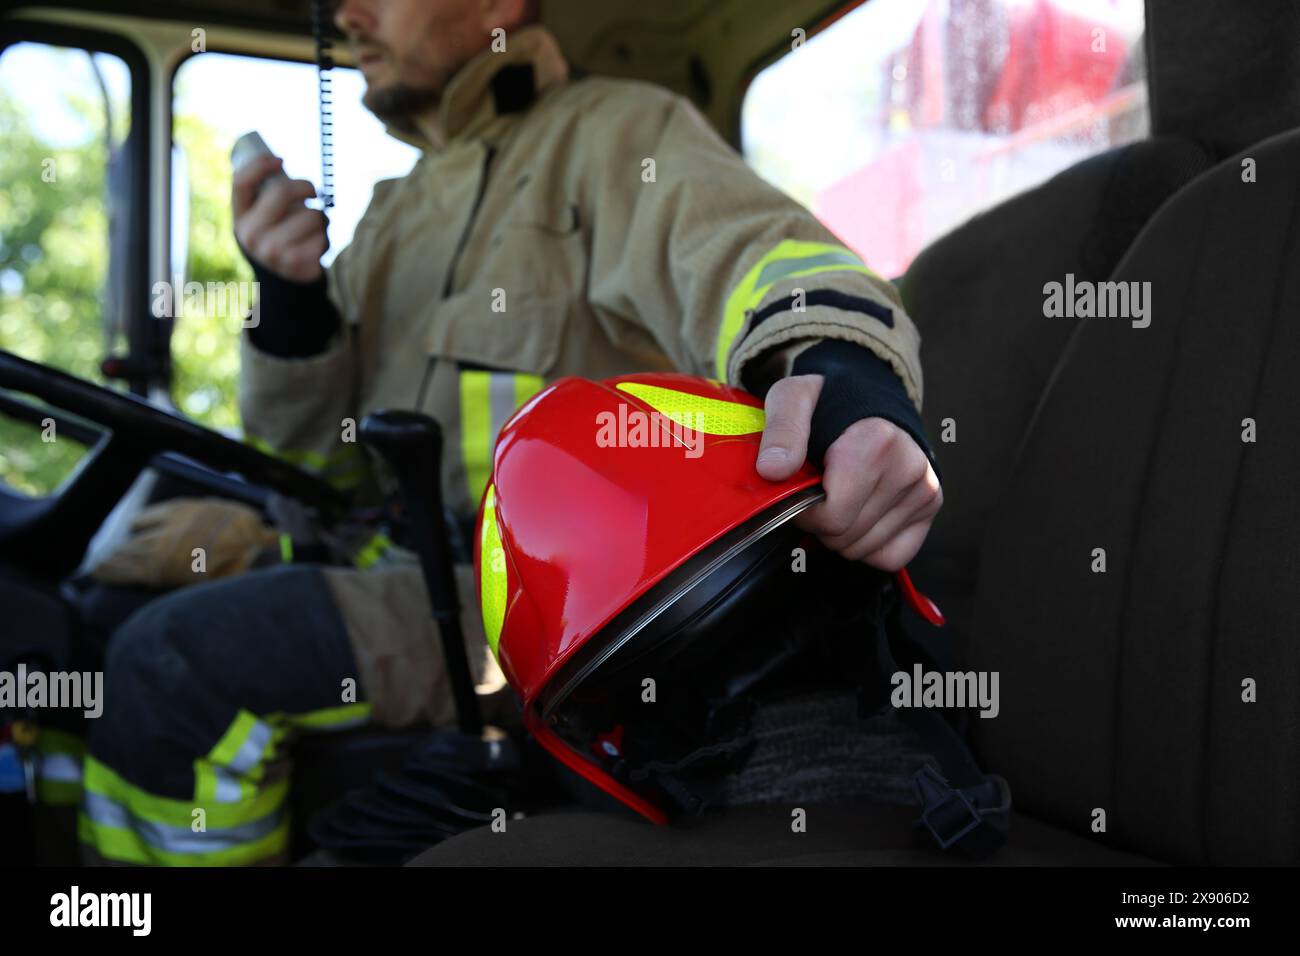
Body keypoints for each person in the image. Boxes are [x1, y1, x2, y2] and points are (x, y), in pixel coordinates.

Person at [81, 0, 942, 865]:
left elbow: (764, 255)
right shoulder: (390, 216)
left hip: (524, 615)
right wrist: (291, 306)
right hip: (383, 567)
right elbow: (315, 468)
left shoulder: (615, 133)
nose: (348, 13)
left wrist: (839, 370)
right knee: (104, 610)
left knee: (176, 663)